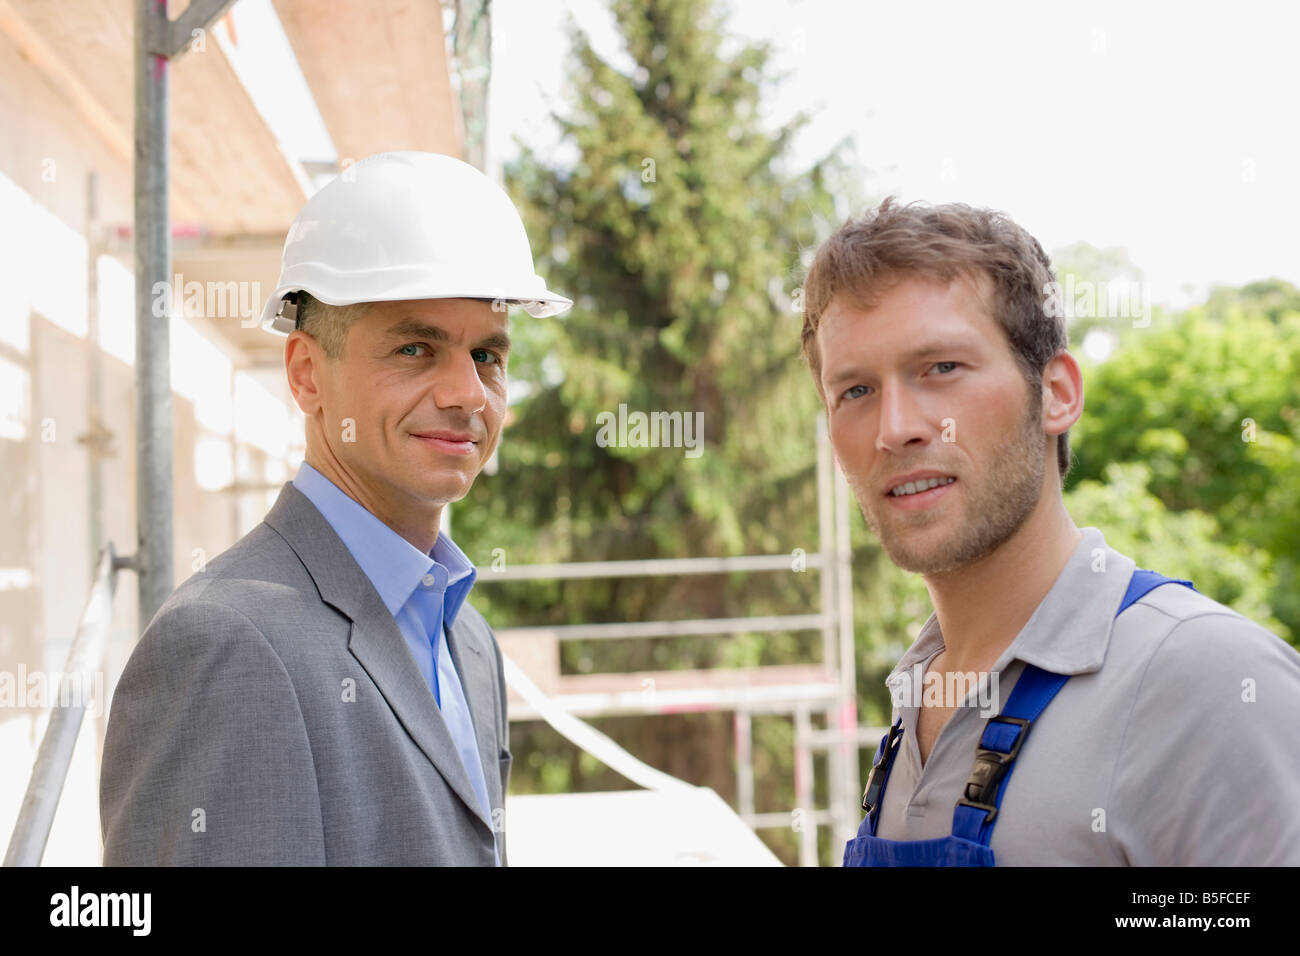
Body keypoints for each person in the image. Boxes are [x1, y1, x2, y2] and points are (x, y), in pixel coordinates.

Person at [99, 151, 571, 865]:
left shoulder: (467, 639)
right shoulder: (225, 645)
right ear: (307, 374)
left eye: (487, 356)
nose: (468, 394)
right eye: (416, 348)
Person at [799, 197, 1300, 866]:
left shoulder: (1205, 680)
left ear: (1056, 394)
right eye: (855, 391)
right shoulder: (913, 703)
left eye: (941, 368)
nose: (896, 428)